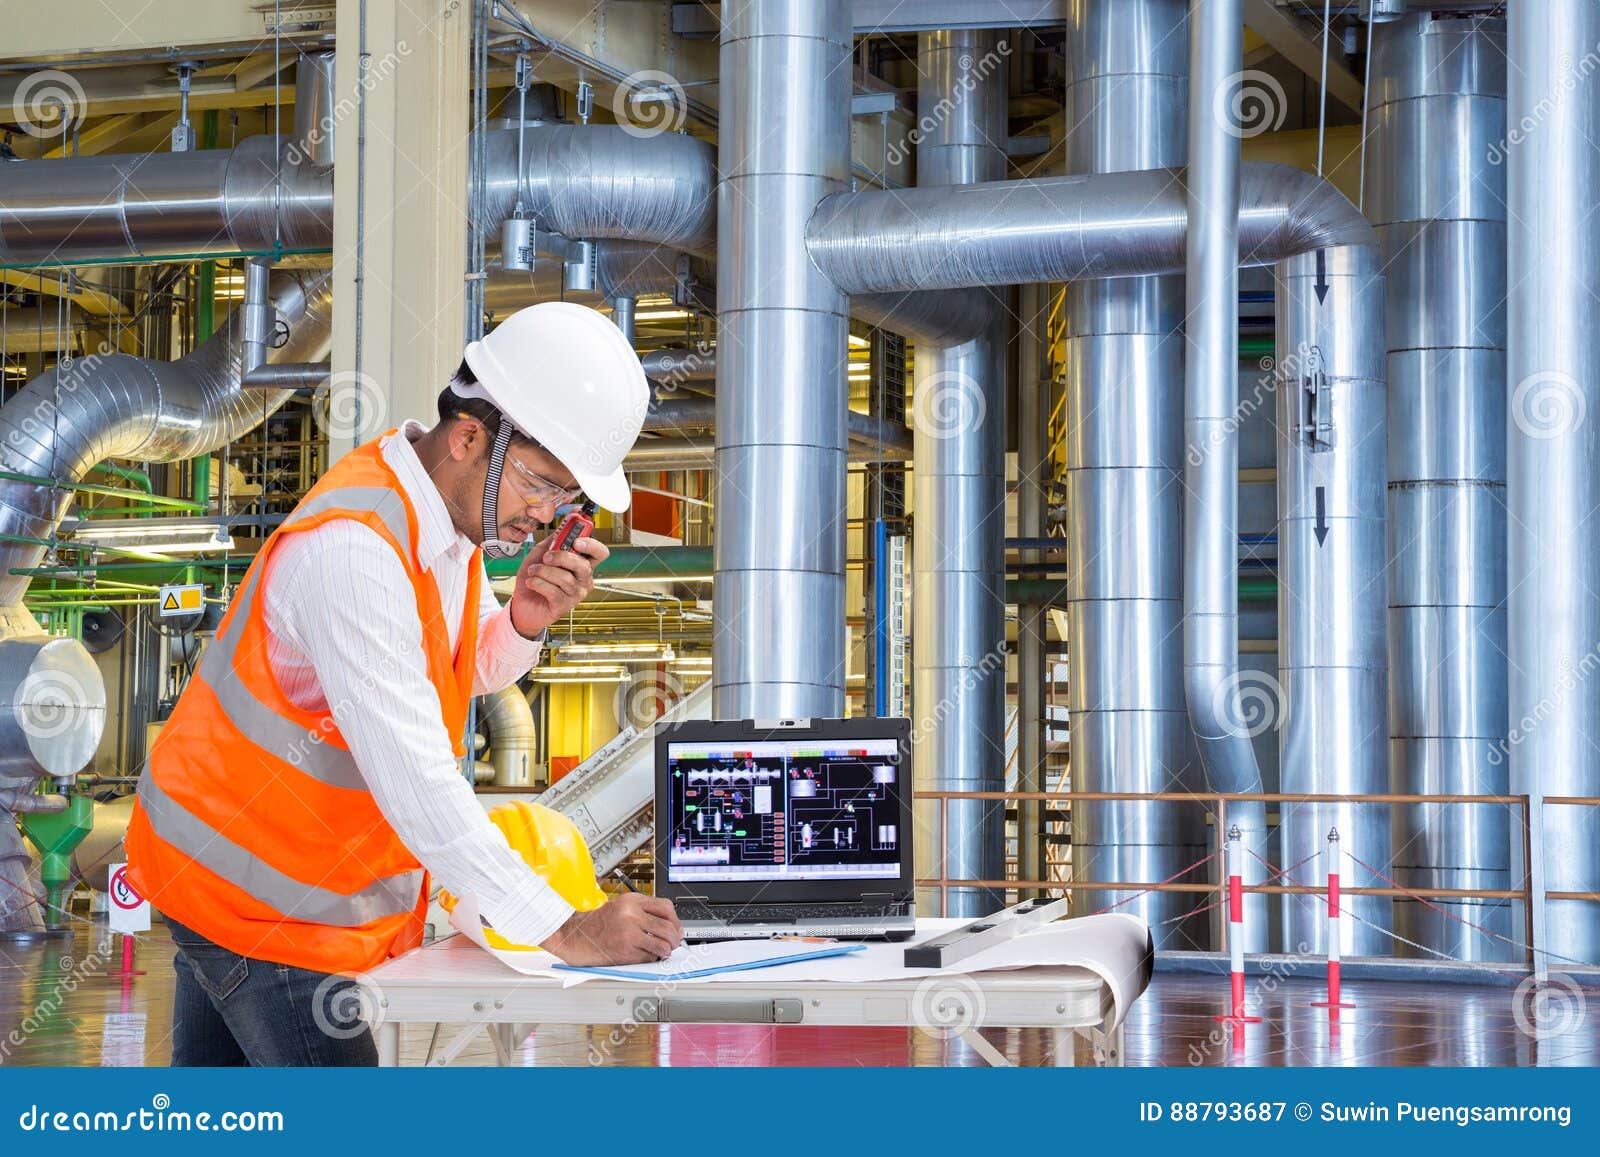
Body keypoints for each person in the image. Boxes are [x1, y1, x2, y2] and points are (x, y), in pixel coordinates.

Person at [125, 302, 682, 1066]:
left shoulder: (445, 529)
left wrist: (524, 616)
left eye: (567, 501)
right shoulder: (357, 553)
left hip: (236, 880)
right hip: (263, 903)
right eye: (543, 485)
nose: (548, 516)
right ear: (469, 438)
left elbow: (462, 665)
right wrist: (565, 924)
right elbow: (420, 781)